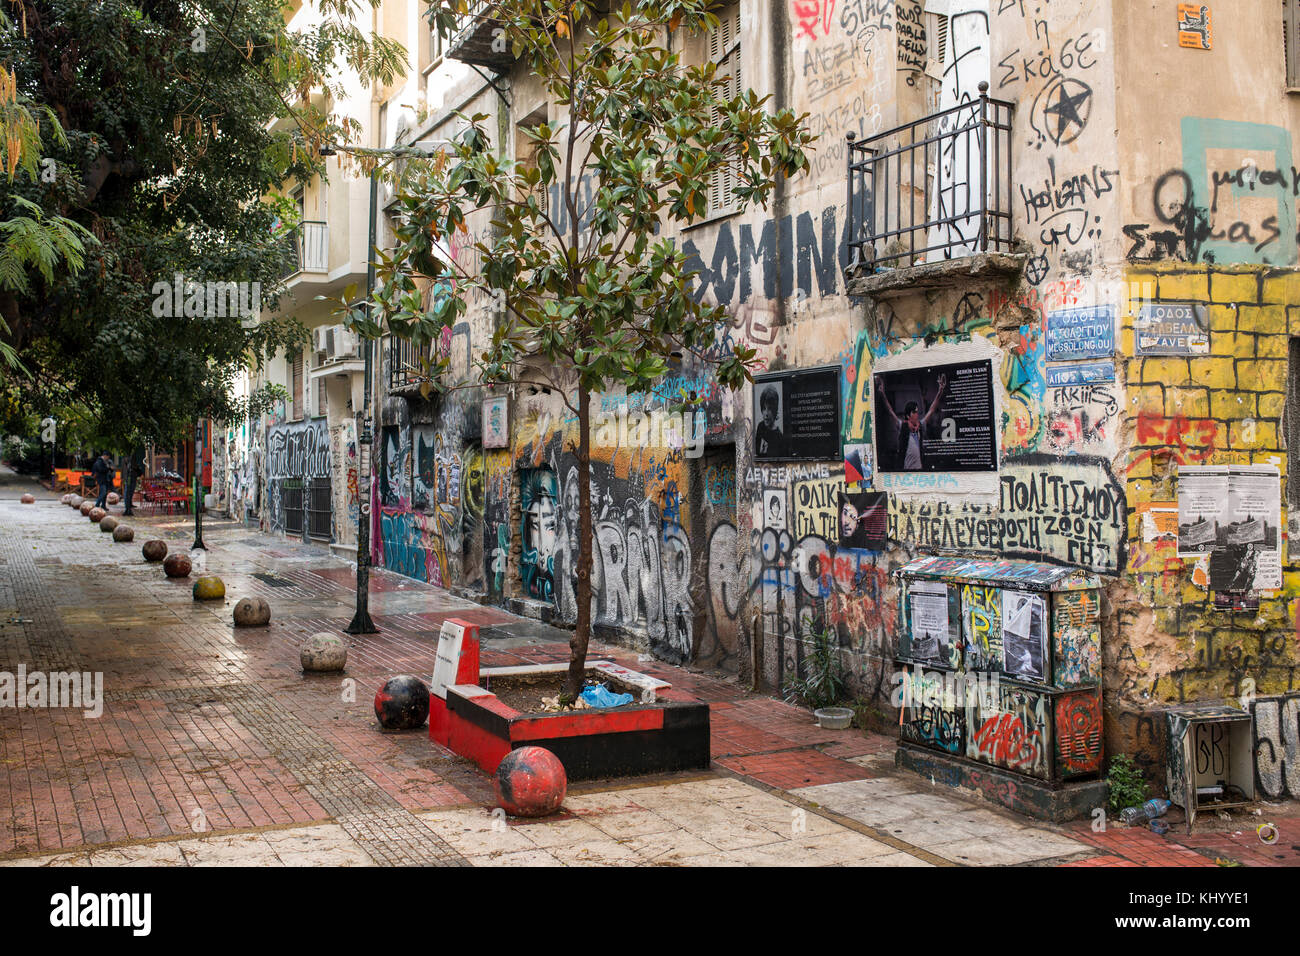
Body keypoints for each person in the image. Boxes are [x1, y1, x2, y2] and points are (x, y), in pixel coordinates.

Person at [877, 374, 947, 470]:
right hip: (905, 469)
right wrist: (882, 393)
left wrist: (940, 390)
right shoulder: (902, 426)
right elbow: (890, 411)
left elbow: (931, 410)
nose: (917, 414)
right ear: (908, 415)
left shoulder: (921, 425)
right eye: (914, 412)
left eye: (917, 412)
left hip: (919, 469)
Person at [754, 385, 785, 458]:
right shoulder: (760, 426)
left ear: (775, 410)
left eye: (770, 409)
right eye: (764, 408)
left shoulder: (779, 437)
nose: (766, 413)